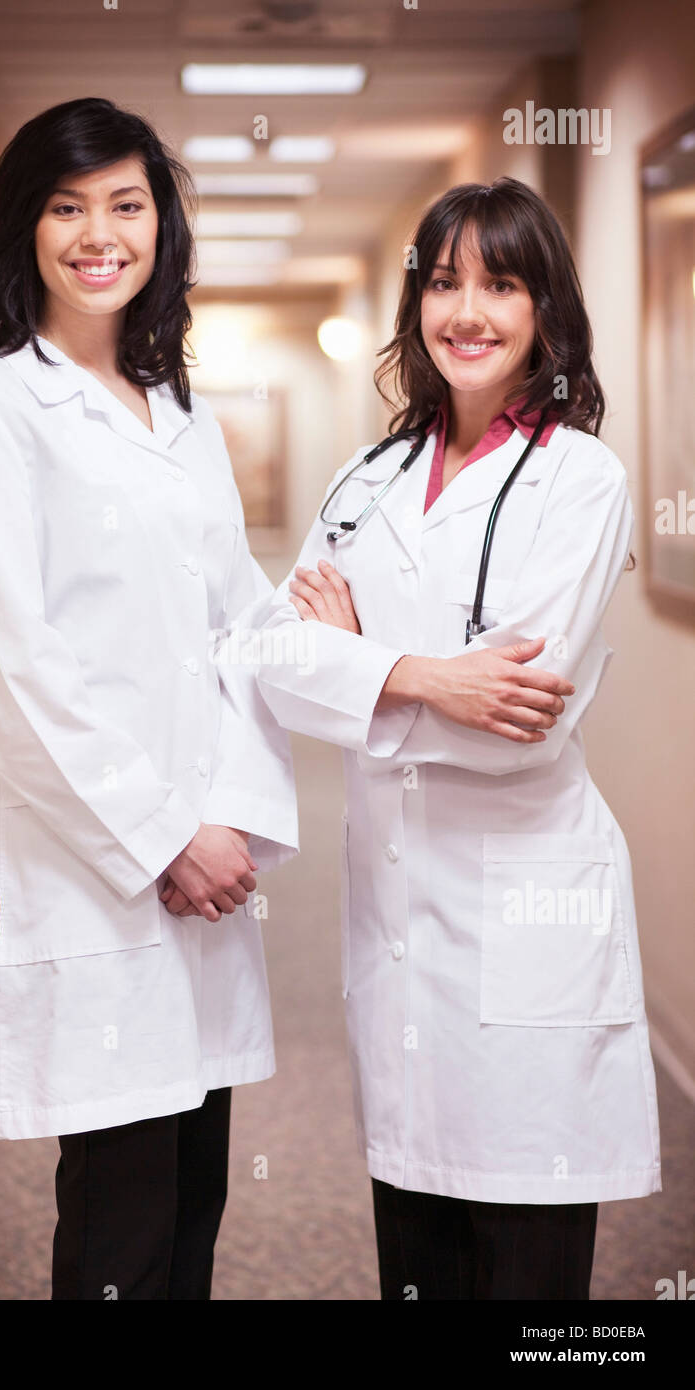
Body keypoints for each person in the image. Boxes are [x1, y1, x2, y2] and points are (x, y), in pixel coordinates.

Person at [196, 177, 661, 1300]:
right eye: (443, 282)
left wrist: (358, 669)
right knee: (416, 1249)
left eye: (499, 283)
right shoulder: (368, 479)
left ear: (544, 306)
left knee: (527, 1270)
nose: (467, 311)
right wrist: (423, 677)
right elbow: (270, 662)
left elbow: (515, 723)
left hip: (524, 917)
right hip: (397, 928)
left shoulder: (581, 481)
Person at [0, 97, 298, 1301]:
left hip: (205, 868)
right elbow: (14, 670)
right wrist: (165, 835)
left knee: (192, 1200)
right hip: (102, 870)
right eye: (66, 206)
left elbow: (234, 625)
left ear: (159, 228)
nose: (98, 234)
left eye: (126, 205)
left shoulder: (176, 415)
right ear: (24, 228)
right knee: (118, 1226)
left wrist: (335, 632)